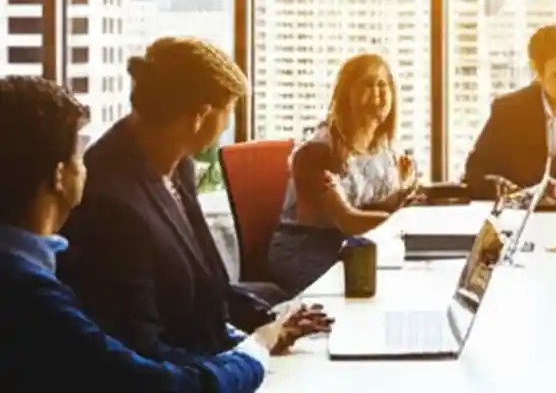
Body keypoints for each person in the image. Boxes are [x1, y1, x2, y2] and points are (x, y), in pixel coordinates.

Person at [0, 75, 285, 391]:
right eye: (79, 156)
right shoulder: (29, 296)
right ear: (59, 176)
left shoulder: (33, 272)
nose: (87, 166)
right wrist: (254, 351)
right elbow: (156, 386)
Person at [58, 38, 329, 365]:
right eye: (228, 111)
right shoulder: (111, 201)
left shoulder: (177, 164)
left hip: (216, 357)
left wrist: (270, 320)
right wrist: (251, 353)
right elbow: (141, 352)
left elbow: (209, 285)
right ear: (201, 115)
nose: (227, 125)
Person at [268, 53, 419, 296]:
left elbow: (368, 206)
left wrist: (404, 197)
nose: (378, 93)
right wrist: (404, 222)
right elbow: (347, 220)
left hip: (359, 244)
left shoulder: (386, 148)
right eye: (367, 84)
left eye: (383, 84)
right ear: (346, 94)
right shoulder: (317, 152)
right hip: (309, 247)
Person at [464, 25, 556, 199]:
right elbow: (474, 174)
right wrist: (512, 192)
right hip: (518, 213)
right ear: (537, 71)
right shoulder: (508, 110)